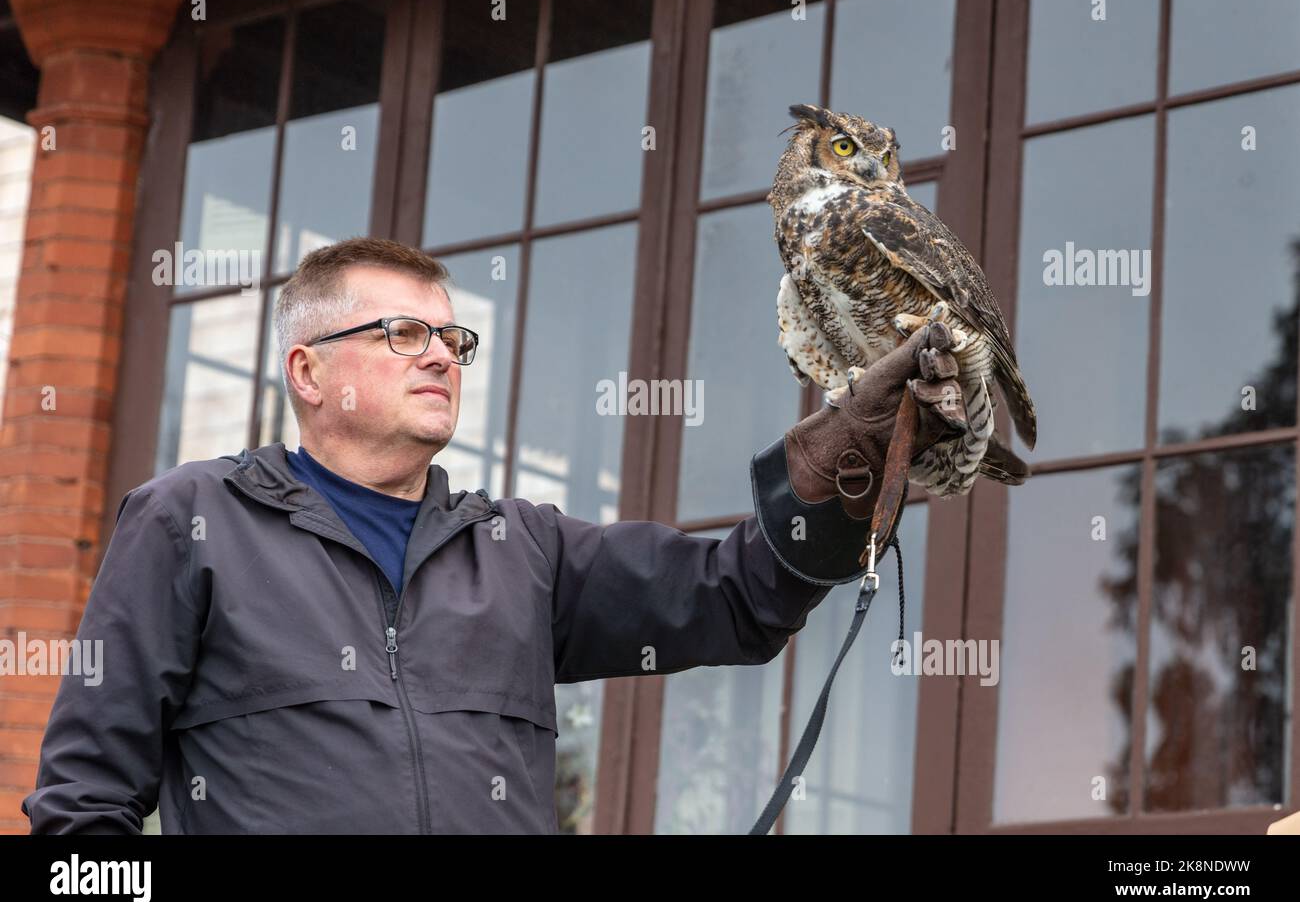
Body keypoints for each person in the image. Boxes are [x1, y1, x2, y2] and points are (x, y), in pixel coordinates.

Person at [23, 238, 960, 833]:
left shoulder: (523, 551)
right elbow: (81, 811)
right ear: (308, 371)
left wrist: (847, 462)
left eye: (451, 338)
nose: (440, 353)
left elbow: (738, 597)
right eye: (400, 333)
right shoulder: (192, 522)